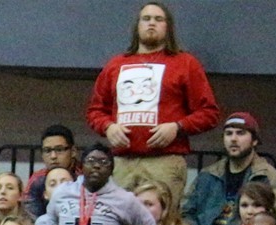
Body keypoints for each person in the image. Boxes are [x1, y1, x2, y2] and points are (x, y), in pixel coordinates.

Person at [86, 2, 220, 204]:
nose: (151, 23)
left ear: (168, 27)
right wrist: (108, 127)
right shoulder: (116, 64)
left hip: (165, 161)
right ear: (137, 26)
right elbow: (95, 110)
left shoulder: (185, 63)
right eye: (146, 19)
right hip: (123, 162)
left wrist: (177, 127)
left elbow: (209, 113)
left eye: (158, 19)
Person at [181, 111, 276, 225]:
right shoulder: (207, 174)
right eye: (228, 134)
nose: (233, 139)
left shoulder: (267, 176)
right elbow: (185, 213)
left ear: (254, 141)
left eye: (240, 133)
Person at [27, 125, 81, 217]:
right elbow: (30, 217)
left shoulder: (85, 177)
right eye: (47, 150)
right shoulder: (37, 180)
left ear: (73, 151)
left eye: (59, 150)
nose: (53, 156)